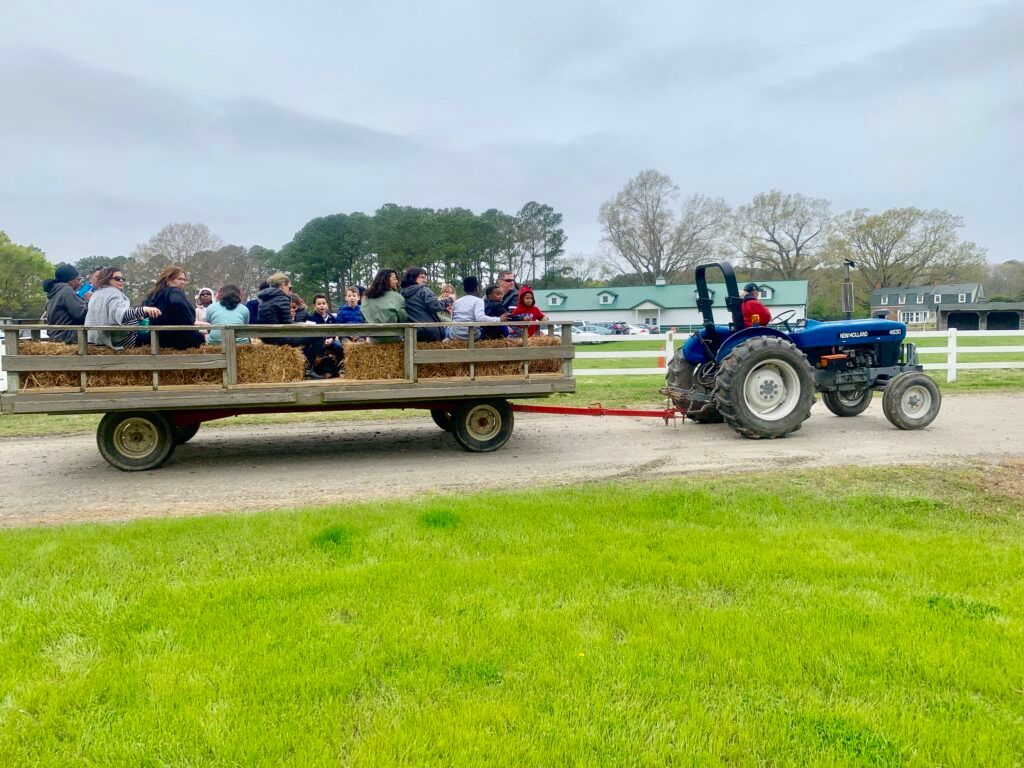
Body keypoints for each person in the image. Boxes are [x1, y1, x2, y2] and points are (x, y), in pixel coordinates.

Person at [84, 267, 161, 349]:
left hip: (98, 339)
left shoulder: (98, 293)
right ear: (107, 279)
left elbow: (111, 312)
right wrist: (144, 309)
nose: (121, 281)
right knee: (160, 336)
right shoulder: (113, 293)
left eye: (122, 279)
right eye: (117, 278)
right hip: (121, 340)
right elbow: (121, 315)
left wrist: (136, 316)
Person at [145, 266, 207, 350]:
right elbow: (177, 302)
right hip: (178, 339)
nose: (182, 282)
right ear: (168, 279)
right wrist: (189, 319)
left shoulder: (154, 293)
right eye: (179, 279)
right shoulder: (174, 291)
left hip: (158, 339)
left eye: (184, 280)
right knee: (199, 337)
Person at [448, 276, 509, 341]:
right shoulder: (478, 301)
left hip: (455, 336)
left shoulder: (457, 302)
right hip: (473, 336)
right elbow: (480, 318)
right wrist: (499, 319)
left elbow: (452, 319)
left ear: (464, 289)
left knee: (447, 329)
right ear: (477, 288)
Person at [43, 264, 90, 343]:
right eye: (78, 280)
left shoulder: (55, 291)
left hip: (57, 336)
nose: (80, 284)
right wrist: (89, 301)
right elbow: (82, 314)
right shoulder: (66, 291)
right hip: (68, 337)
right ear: (71, 281)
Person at [400, 267, 447, 342]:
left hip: (412, 333)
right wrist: (449, 300)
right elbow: (436, 306)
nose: (425, 280)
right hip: (430, 331)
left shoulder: (402, 293)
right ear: (413, 277)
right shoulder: (423, 289)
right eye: (422, 277)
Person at [360, 269, 407, 343]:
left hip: (373, 338)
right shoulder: (396, 297)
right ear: (386, 280)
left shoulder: (366, 298)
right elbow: (403, 317)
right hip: (393, 338)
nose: (397, 281)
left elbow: (363, 316)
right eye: (394, 279)